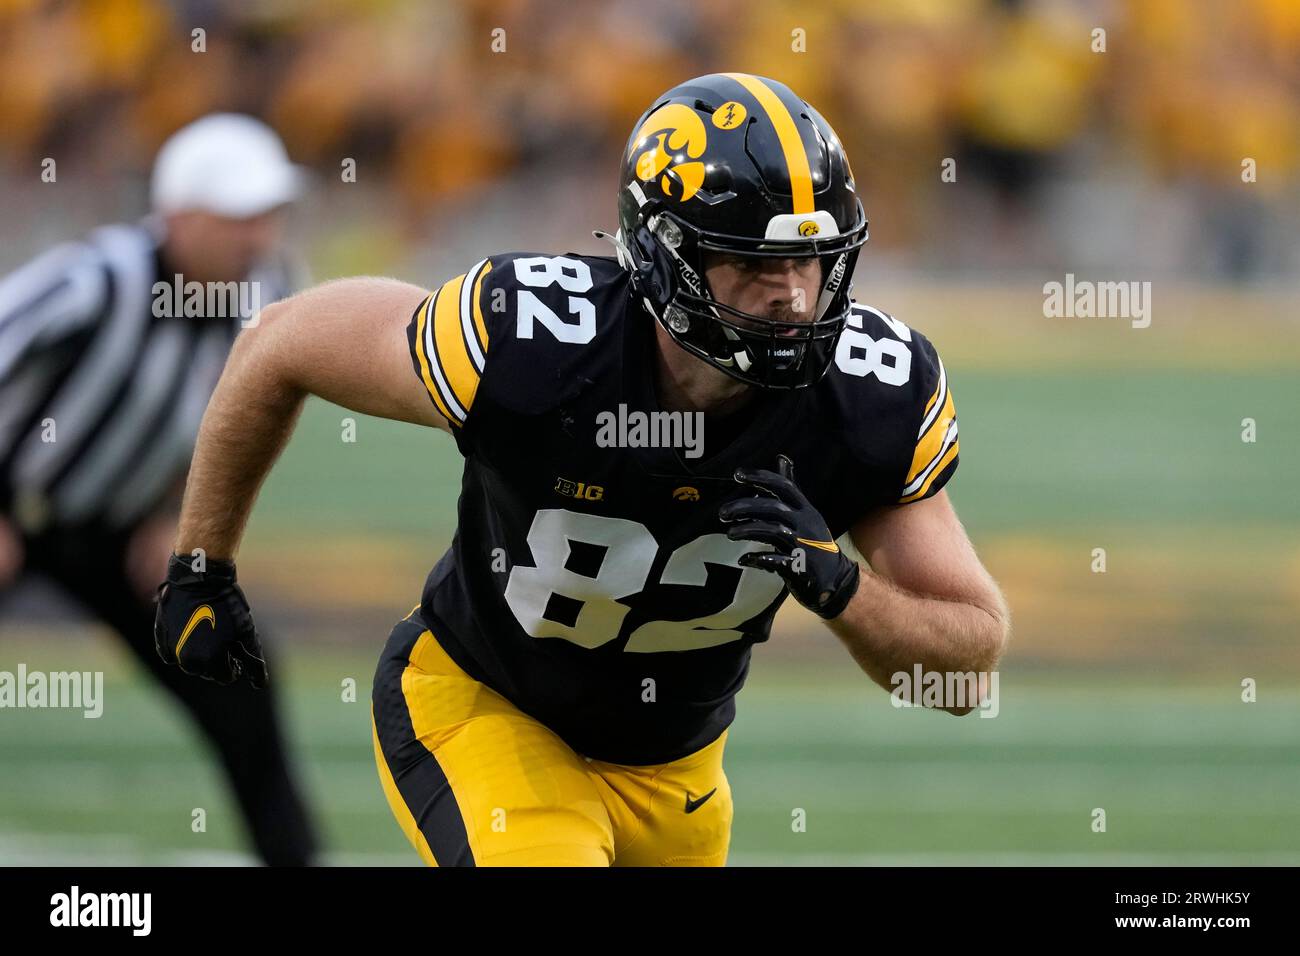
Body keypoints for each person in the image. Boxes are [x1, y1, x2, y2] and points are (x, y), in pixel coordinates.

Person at [154, 74, 1009, 866]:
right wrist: (201, 567)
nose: (791, 295)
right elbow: (280, 345)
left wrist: (841, 589)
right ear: (667, 253)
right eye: (752, 262)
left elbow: (968, 670)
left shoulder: (867, 398)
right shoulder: (535, 346)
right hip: (487, 705)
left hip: (677, 770)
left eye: (809, 260)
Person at [0, 113, 319, 866]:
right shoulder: (91, 283)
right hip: (16, 506)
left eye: (268, 214)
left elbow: (233, 417)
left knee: (235, 678)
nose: (257, 235)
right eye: (238, 216)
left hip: (119, 531)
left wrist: (179, 515)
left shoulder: (267, 294)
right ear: (176, 214)